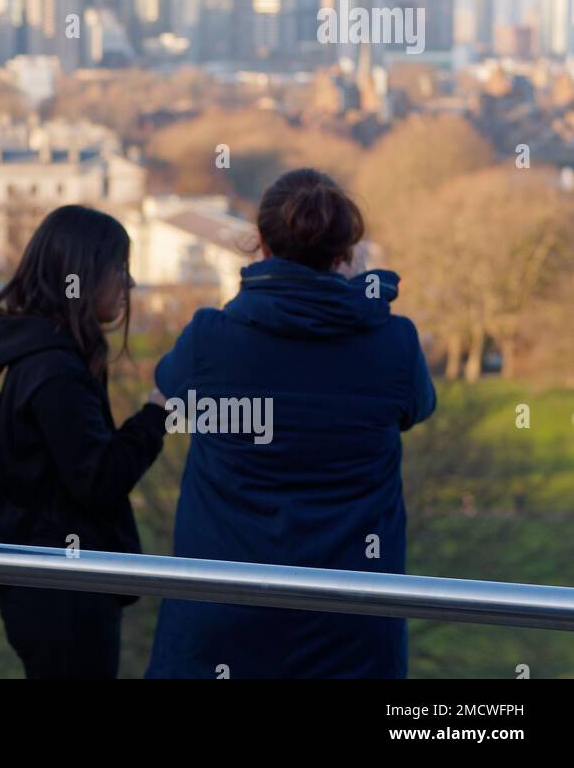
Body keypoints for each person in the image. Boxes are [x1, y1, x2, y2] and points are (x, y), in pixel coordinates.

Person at [145, 168, 436, 679]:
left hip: (223, 622)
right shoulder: (394, 345)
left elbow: (168, 388)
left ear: (258, 244)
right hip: (352, 627)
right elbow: (416, 406)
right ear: (346, 252)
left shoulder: (211, 340)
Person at [0, 205, 167, 680]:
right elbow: (98, 478)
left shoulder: (38, 354)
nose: (129, 285)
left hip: (51, 588)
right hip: (65, 593)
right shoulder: (54, 369)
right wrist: (156, 415)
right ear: (83, 275)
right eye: (119, 270)